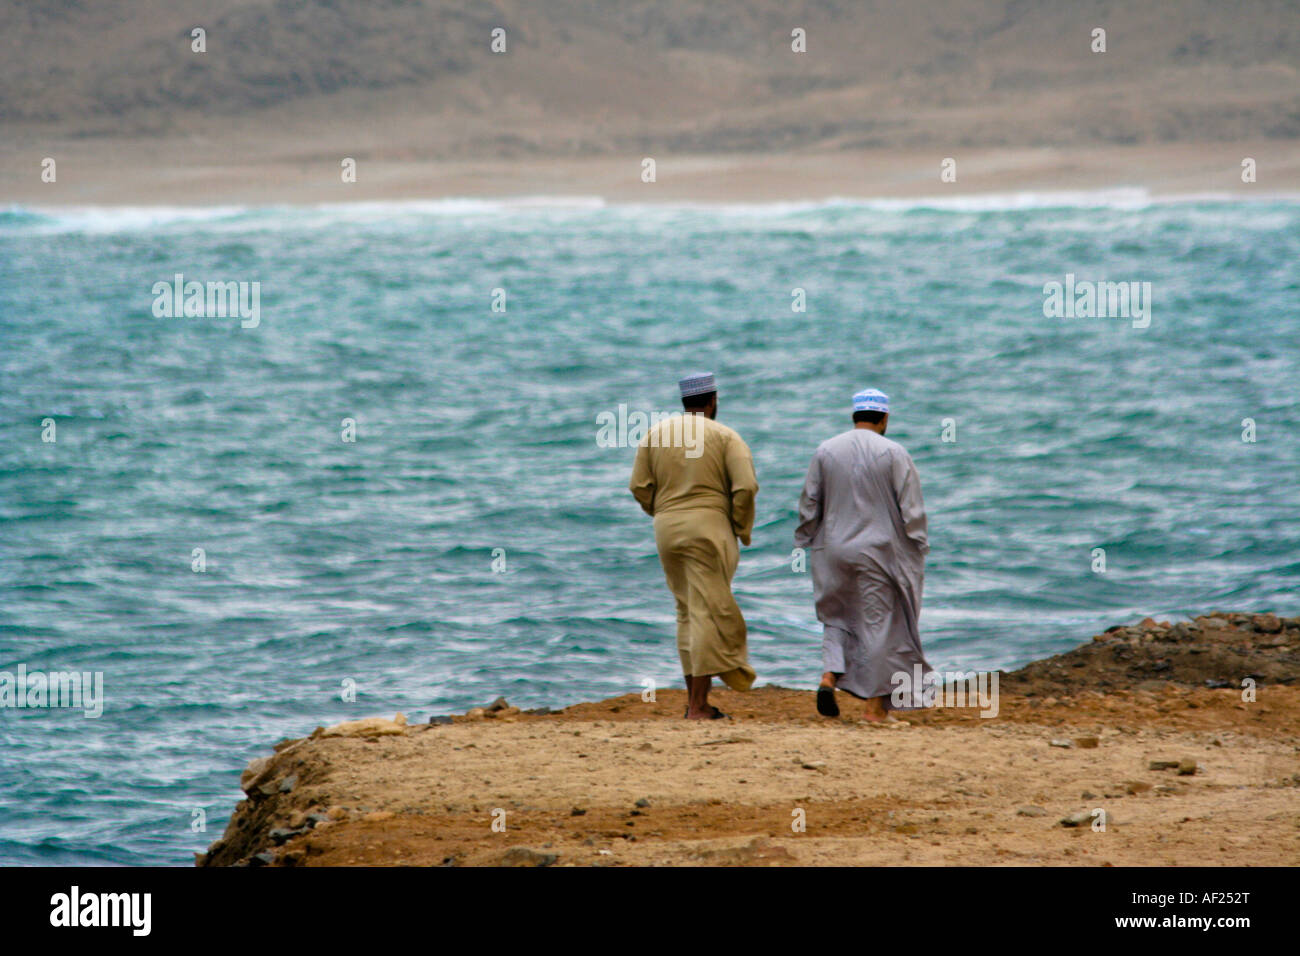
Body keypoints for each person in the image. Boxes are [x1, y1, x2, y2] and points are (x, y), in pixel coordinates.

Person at [795, 388, 933, 721]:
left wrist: (806, 539)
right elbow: (911, 510)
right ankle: (874, 709)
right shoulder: (894, 453)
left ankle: (829, 674)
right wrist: (917, 547)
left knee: (836, 616)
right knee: (879, 623)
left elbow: (809, 503)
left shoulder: (826, 450)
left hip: (833, 549)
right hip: (877, 552)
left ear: (854, 416)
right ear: (884, 418)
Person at [629, 372, 759, 719]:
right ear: (713, 400)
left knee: (686, 611)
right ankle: (699, 706)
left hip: (666, 528)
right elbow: (745, 487)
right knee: (704, 611)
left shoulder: (656, 434)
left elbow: (639, 486)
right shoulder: (725, 436)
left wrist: (663, 512)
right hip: (709, 527)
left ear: (684, 402)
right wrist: (741, 526)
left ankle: (693, 702)